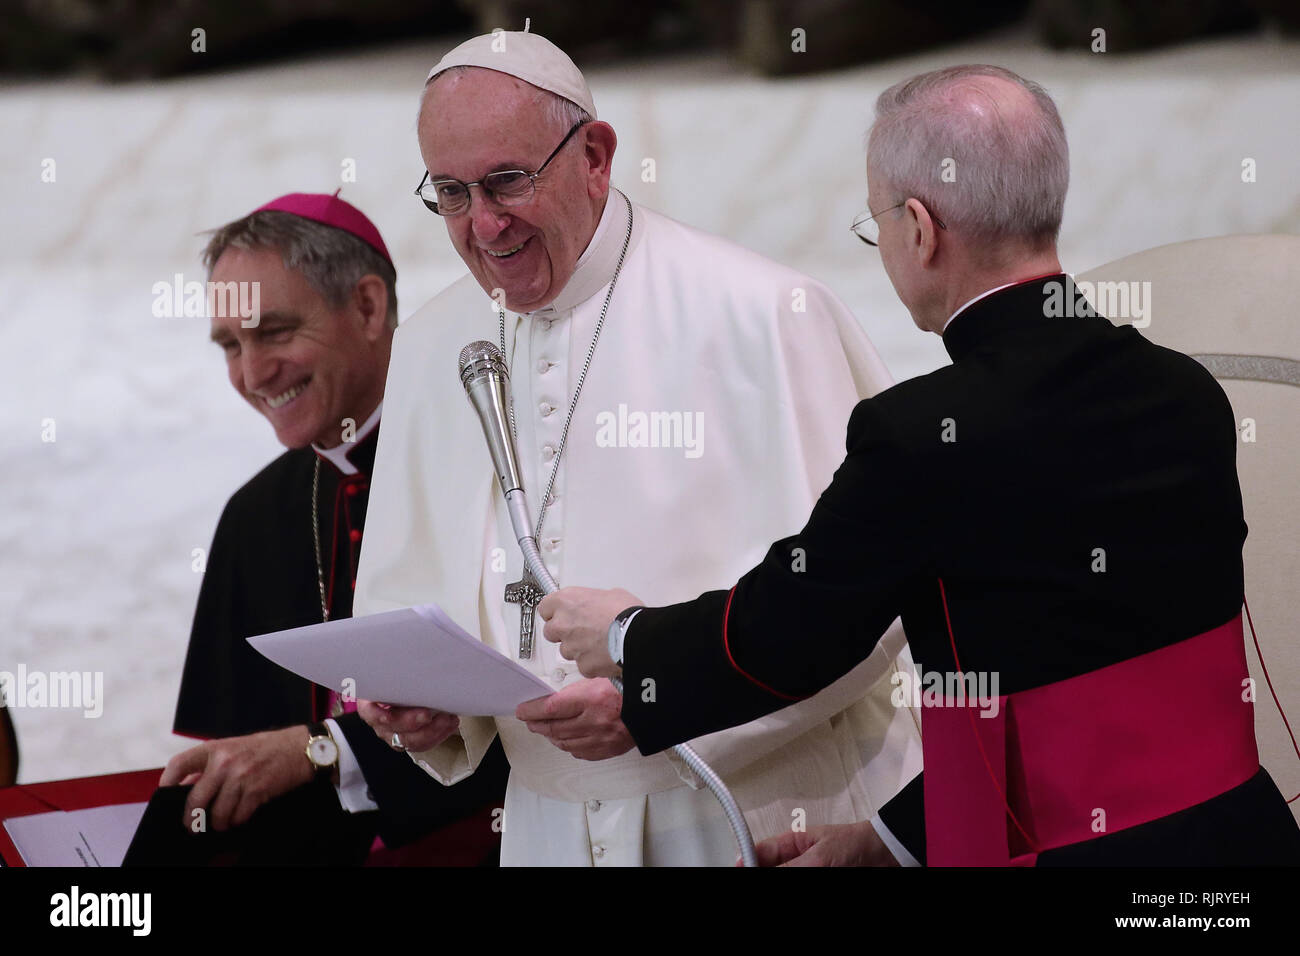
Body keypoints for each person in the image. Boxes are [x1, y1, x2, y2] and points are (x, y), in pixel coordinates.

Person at [538, 64, 1300, 866]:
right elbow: (1086, 699)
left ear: (920, 227)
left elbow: (789, 636)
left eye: (877, 227)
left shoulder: (922, 435)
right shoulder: (1188, 391)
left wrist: (629, 637)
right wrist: (886, 843)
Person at [354, 31, 923, 866]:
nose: (483, 223)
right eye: (449, 192)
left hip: (760, 808)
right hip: (545, 828)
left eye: (507, 180)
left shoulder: (764, 314)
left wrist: (662, 704)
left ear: (595, 155)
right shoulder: (435, 342)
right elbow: (407, 614)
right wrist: (423, 711)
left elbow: (876, 608)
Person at [166, 192, 508, 864]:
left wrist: (321, 749)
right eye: (230, 346)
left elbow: (535, 717)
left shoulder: (491, 461)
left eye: (274, 332)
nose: (252, 374)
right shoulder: (254, 515)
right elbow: (232, 770)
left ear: (368, 308)